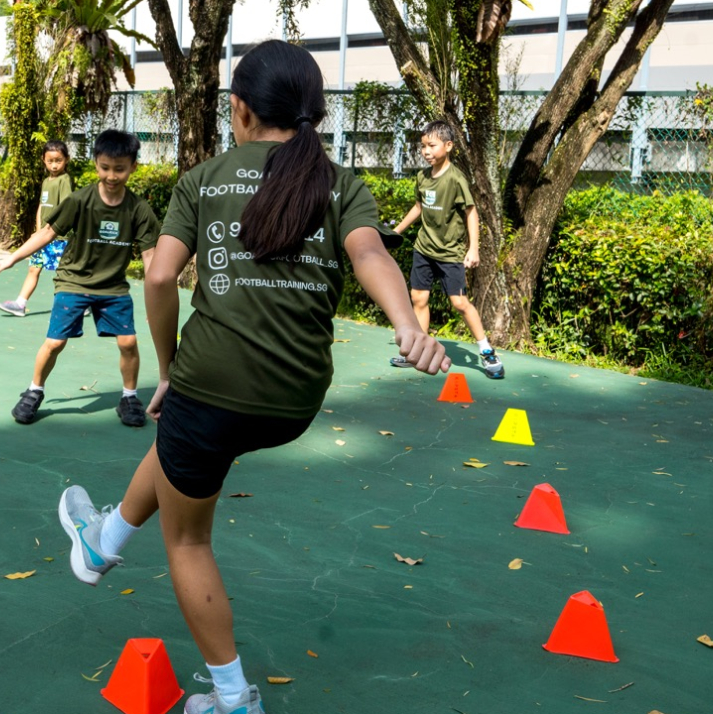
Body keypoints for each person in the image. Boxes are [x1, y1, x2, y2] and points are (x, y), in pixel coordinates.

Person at [55, 40, 450, 714]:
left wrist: (170, 369)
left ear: (239, 109)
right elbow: (370, 254)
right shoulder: (340, 182)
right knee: (181, 444)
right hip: (295, 399)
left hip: (212, 384)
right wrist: (407, 325)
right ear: (313, 113)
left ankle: (233, 698)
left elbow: (159, 276)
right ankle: (103, 540)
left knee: (188, 535)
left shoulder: (205, 178)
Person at [0, 130, 159, 428]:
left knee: (128, 342)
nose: (112, 176)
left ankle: (129, 397)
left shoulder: (139, 209)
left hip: (112, 287)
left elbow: (151, 257)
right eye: (105, 167)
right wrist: (11, 258)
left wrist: (156, 301)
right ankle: (34, 390)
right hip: (73, 282)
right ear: (96, 164)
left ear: (133, 166)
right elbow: (47, 232)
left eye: (120, 169)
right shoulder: (80, 201)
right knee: (55, 343)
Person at [388, 120, 505, 379]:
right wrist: (396, 232)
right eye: (423, 146)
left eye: (432, 145)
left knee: (459, 303)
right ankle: (418, 353)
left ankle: (487, 352)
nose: (426, 151)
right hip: (423, 249)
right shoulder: (422, 177)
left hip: (450, 254)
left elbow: (471, 213)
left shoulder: (456, 179)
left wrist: (473, 249)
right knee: (418, 299)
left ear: (448, 146)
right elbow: (418, 207)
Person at [0, 140, 73, 317]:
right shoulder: (46, 181)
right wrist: (39, 232)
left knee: (63, 274)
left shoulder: (64, 180)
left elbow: (66, 207)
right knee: (33, 269)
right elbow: (41, 207)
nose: (54, 165)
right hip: (42, 239)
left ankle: (76, 304)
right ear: (43, 160)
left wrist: (50, 231)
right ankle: (20, 304)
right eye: (50, 161)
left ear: (66, 159)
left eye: (58, 160)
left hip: (58, 238)